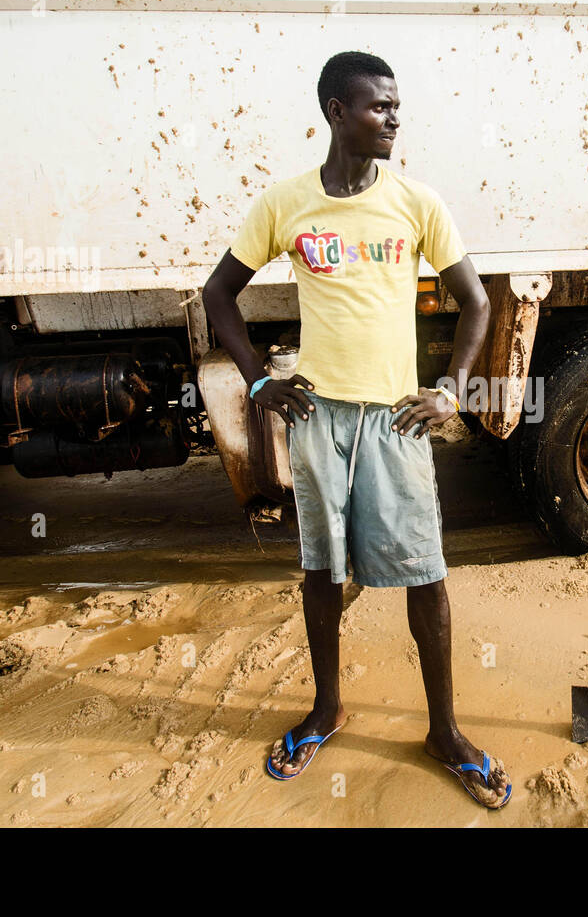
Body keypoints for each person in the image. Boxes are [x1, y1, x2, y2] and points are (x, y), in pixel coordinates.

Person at [201, 50, 510, 810]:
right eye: (379, 106)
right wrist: (262, 381)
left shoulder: (415, 202)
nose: (394, 118)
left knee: (425, 573)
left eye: (398, 106)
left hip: (395, 421)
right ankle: (327, 707)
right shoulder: (286, 204)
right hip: (317, 418)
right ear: (337, 112)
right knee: (320, 571)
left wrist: (451, 393)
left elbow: (477, 304)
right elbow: (218, 293)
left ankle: (444, 730)